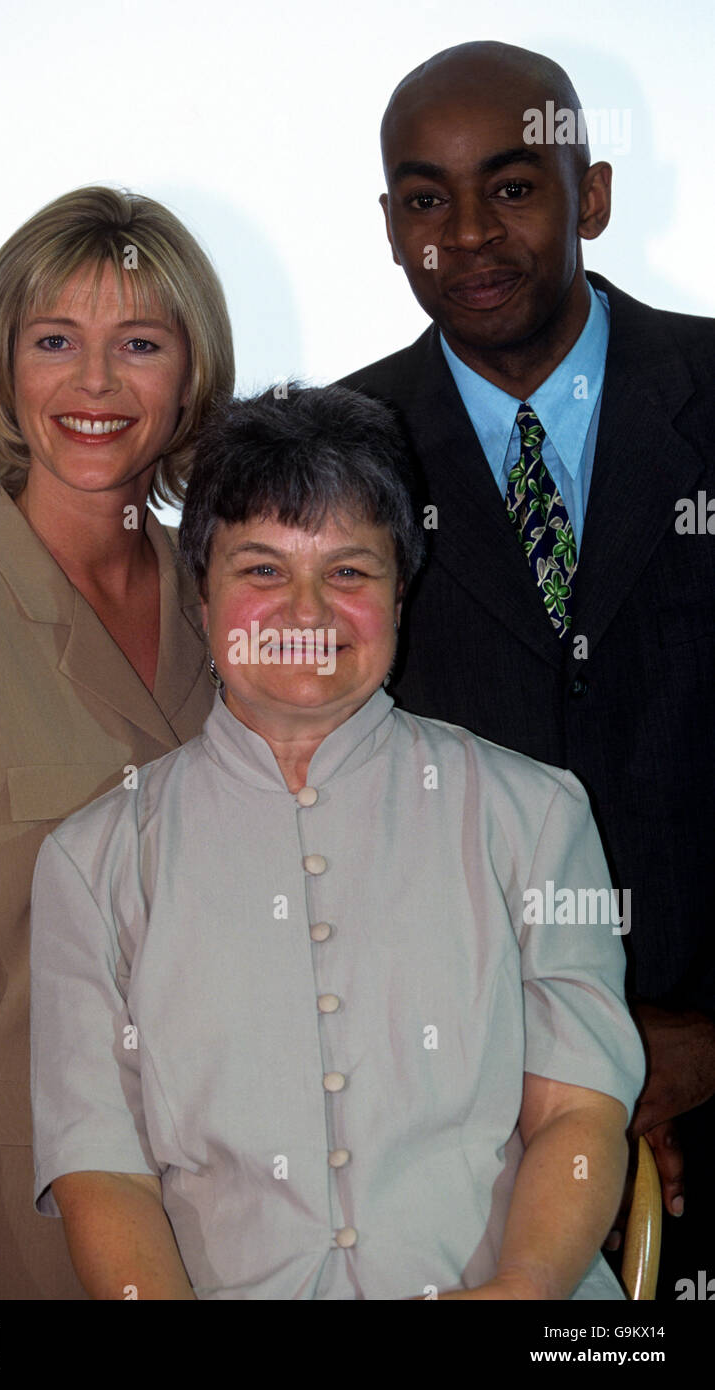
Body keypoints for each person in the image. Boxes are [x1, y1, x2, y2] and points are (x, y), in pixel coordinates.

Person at [29, 385, 644, 1300]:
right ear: (202, 593)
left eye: (350, 572)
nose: (307, 613)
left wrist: (520, 1293)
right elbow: (101, 1169)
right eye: (263, 571)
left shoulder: (535, 816)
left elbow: (576, 1112)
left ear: (404, 590)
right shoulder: (95, 860)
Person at [338, 40, 715, 1298]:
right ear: (388, 227)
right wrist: (537, 1061)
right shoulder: (330, 463)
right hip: (454, 1136)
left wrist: (705, 1041)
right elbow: (316, 794)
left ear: (589, 195)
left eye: (510, 187)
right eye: (424, 199)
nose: (464, 234)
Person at [0, 185, 234, 1298]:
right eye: (54, 340)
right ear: (1, 368)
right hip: (35, 1251)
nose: (96, 384)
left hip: (256, 1230)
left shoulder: (239, 605)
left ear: (191, 372)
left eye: (141, 343)